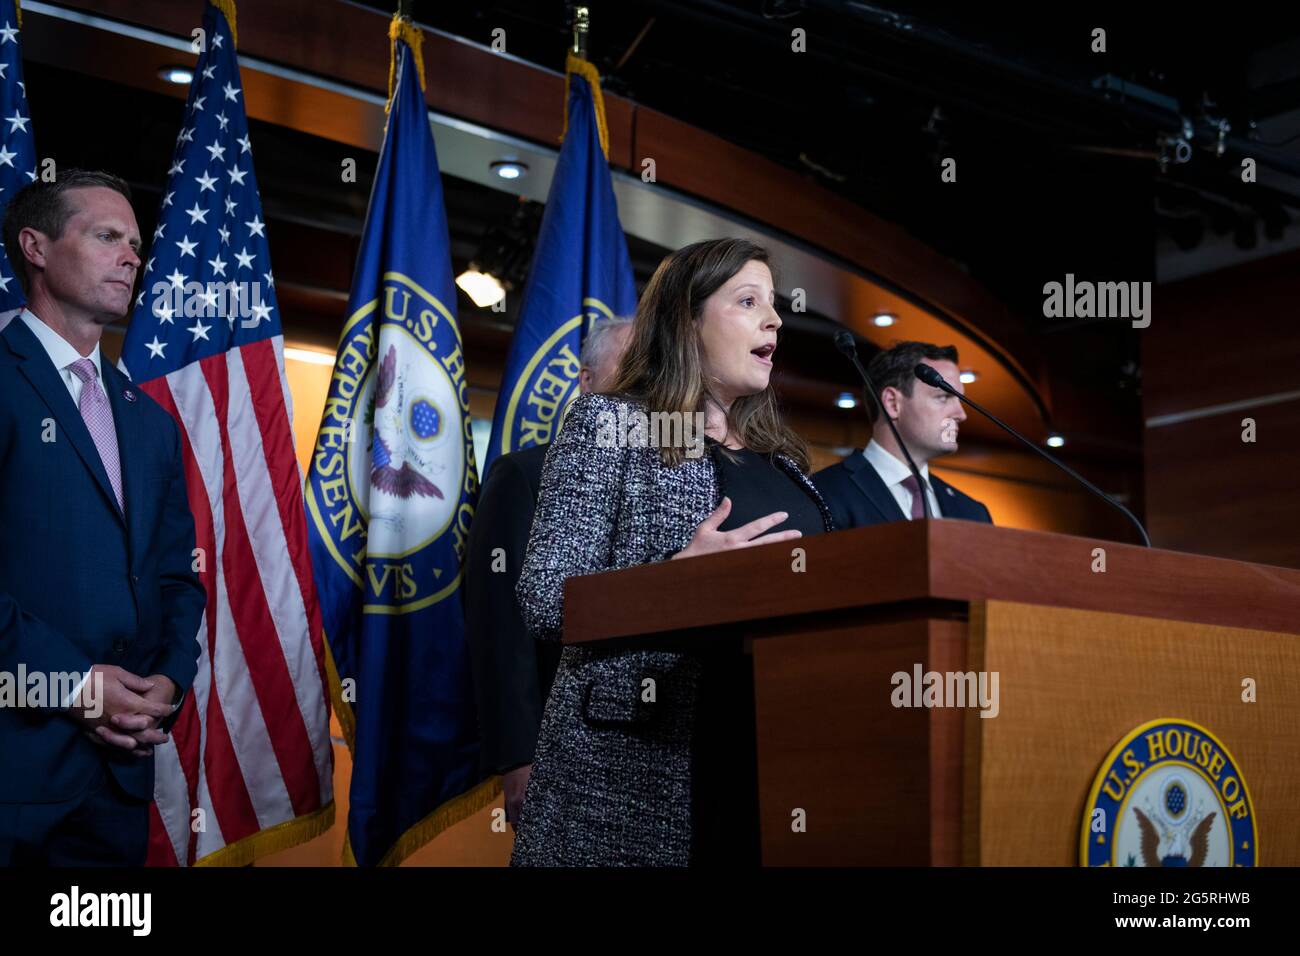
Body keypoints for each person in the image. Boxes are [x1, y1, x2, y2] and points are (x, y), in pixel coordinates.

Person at [509, 238, 832, 867]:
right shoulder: (615, 423)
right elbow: (546, 599)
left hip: (775, 756)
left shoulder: (784, 461)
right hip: (639, 767)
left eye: (775, 306)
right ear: (687, 320)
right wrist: (676, 582)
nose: (775, 320)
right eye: (748, 301)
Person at [0, 170, 206, 865]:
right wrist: (72, 684)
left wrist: (170, 682)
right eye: (107, 237)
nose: (131, 256)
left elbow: (178, 579)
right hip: (14, 771)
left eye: (135, 244)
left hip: (118, 784)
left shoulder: (149, 424)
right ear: (35, 245)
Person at [465, 316, 633, 827]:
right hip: (560, 745)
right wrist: (519, 757)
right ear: (586, 381)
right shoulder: (524, 476)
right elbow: (500, 625)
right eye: (628, 368)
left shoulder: (668, 481)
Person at [813, 341, 992, 528]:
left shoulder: (974, 513)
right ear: (892, 403)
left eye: (959, 399)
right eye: (943, 397)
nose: (961, 414)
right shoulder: (823, 493)